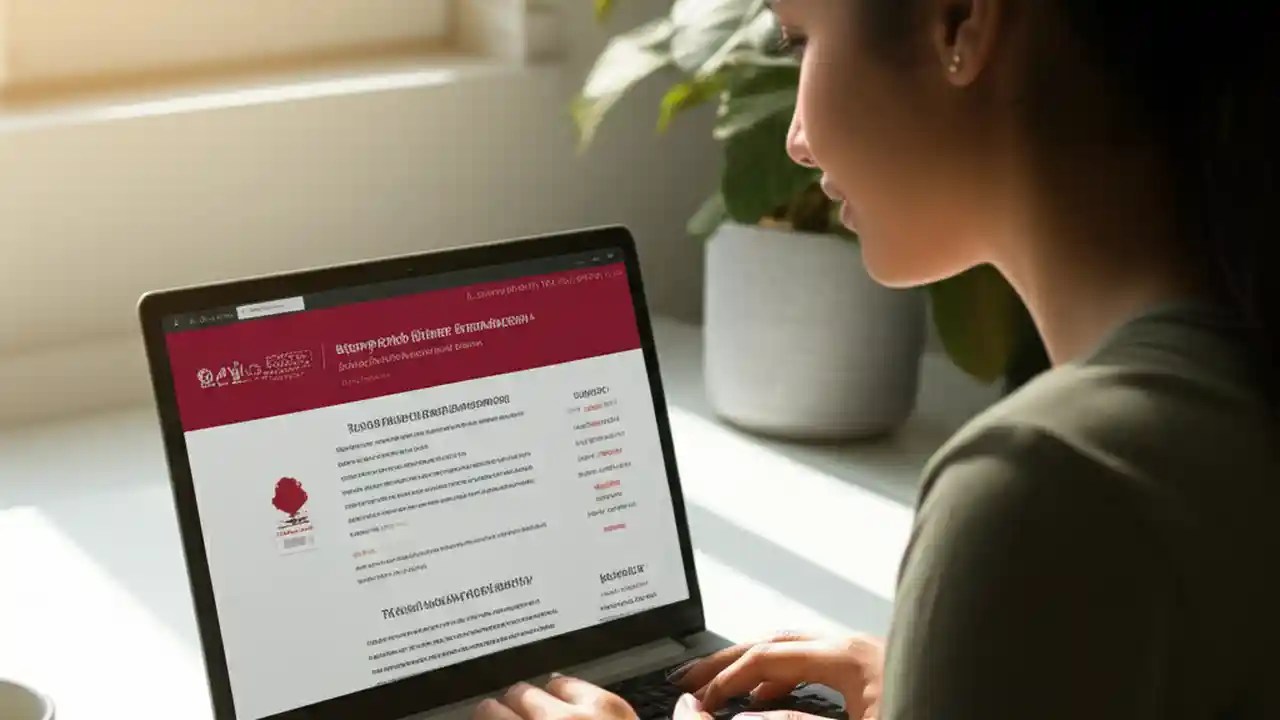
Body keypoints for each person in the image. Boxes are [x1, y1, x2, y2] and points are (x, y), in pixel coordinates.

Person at [473, 0, 1279, 717]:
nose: (793, 138)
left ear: (961, 21)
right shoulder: (1225, 388)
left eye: (799, 40)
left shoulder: (1052, 481)